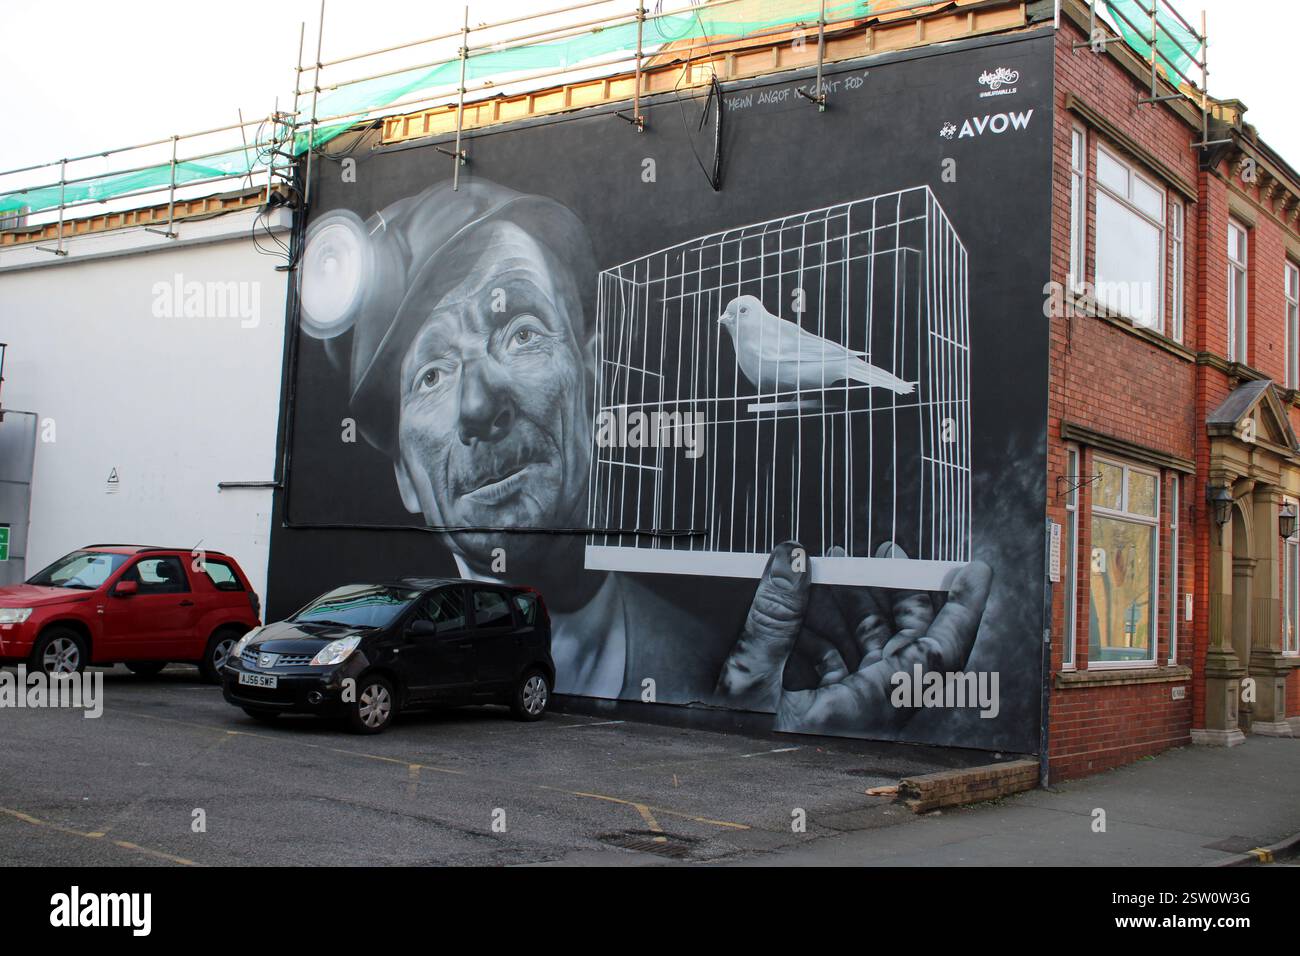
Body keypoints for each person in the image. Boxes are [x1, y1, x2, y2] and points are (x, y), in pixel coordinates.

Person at [305, 177, 992, 737]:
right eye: (429, 376)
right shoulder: (388, 648)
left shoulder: (718, 660)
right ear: (402, 471)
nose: (479, 402)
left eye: (519, 333)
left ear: (596, 379)